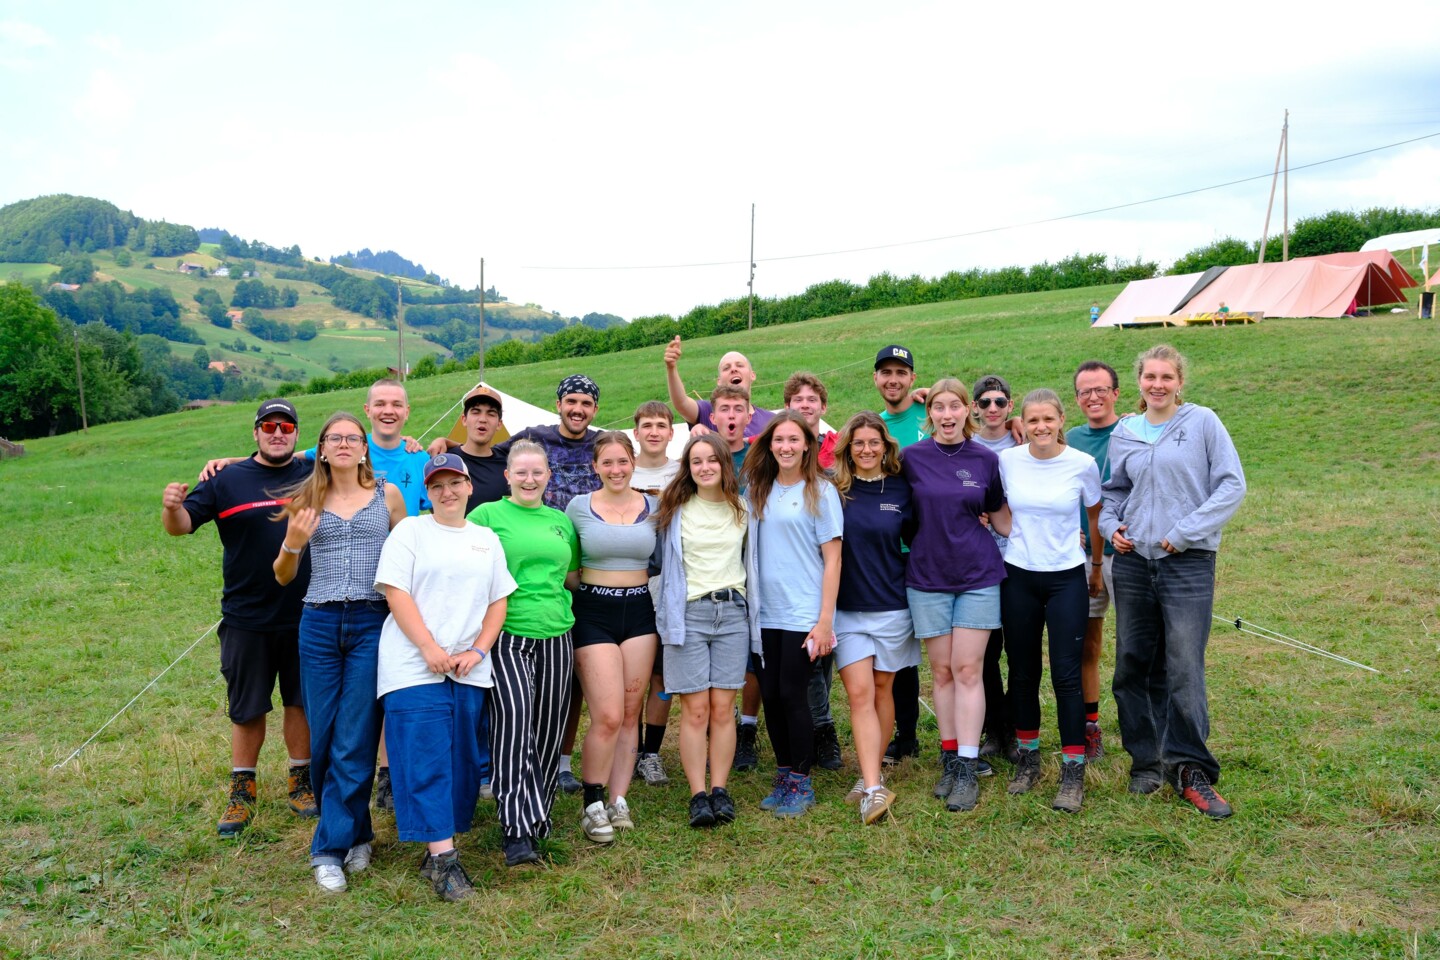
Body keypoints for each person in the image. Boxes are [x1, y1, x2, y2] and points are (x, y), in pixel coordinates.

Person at [160, 398, 317, 837]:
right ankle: (242, 790)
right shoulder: (226, 479)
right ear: (255, 432)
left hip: (308, 613)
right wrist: (172, 506)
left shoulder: (313, 476)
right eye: (269, 425)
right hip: (247, 615)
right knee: (247, 707)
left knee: (300, 701)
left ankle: (300, 781)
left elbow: (361, 455)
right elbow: (182, 525)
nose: (278, 432)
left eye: (286, 426)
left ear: (295, 434)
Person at [1101, 344, 1246, 819]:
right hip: (1134, 563)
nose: (1158, 385)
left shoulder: (1203, 422)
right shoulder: (1125, 432)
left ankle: (1190, 768)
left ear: (1180, 381)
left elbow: (1231, 484)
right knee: (1132, 666)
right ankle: (1146, 760)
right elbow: (1113, 491)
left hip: (1186, 562)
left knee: (1183, 666)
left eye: (1167, 377)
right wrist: (1111, 527)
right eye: (1150, 377)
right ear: (1138, 382)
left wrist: (1185, 532)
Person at [273, 411, 407, 893]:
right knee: (326, 734)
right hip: (319, 623)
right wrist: (292, 545)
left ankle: (327, 849)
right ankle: (359, 833)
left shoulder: (387, 496)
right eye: (336, 438)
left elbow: (405, 557)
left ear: (365, 447)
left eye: (354, 437)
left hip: (372, 621)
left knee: (356, 733)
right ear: (322, 448)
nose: (346, 444)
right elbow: (283, 576)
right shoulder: (306, 498)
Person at [373, 453, 515, 901]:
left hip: (468, 668)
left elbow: (498, 601)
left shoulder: (486, 538)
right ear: (426, 492)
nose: (447, 492)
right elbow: (396, 593)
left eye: (455, 483)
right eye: (438, 485)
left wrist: (478, 649)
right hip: (414, 665)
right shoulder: (410, 531)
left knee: (463, 766)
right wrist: (429, 648)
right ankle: (443, 861)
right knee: (428, 758)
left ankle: (436, 844)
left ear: (470, 487)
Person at [467, 441, 582, 864]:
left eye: (538, 472)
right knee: (515, 727)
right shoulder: (486, 517)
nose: (530, 479)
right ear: (508, 476)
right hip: (508, 634)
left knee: (550, 731)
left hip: (558, 632)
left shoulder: (560, 522)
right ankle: (515, 828)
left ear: (548, 476)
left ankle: (539, 815)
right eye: (522, 472)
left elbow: (571, 577)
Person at [902, 379, 1010, 813]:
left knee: (968, 670)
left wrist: (1059, 538)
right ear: (929, 414)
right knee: (942, 672)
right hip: (926, 577)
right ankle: (949, 757)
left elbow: (1002, 516)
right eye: (939, 408)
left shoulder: (985, 459)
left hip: (977, 575)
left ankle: (967, 765)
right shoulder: (909, 459)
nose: (947, 415)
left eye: (955, 407)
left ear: (969, 411)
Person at [997, 389, 1103, 813]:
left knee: (1066, 675)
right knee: (1022, 673)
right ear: (1023, 424)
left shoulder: (1082, 464)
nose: (1041, 427)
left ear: (1062, 419)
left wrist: (1094, 565)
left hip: (1066, 578)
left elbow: (1094, 516)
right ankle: (1029, 759)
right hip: (1019, 574)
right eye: (1033, 420)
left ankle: (1073, 771)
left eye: (1049, 419)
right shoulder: (1008, 461)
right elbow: (998, 509)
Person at [654, 433, 761, 828]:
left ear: (724, 464)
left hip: (732, 614)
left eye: (711, 460)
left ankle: (720, 789)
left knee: (722, 709)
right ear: (688, 467)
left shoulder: (743, 509)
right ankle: (697, 794)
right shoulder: (675, 508)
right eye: (696, 461)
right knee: (695, 710)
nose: (704, 467)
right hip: (689, 615)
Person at [743, 411, 843, 818]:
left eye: (793, 440)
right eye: (778, 440)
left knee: (792, 694)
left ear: (808, 444)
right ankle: (783, 774)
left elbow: (833, 560)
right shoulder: (758, 490)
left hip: (803, 611)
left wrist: (825, 621)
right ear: (769, 445)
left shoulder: (821, 491)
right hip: (764, 612)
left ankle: (801, 781)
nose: (785, 446)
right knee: (769, 695)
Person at [564, 432, 661, 843]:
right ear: (595, 466)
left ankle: (619, 799)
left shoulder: (655, 507)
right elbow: (567, 566)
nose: (616, 470)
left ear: (633, 462)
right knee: (605, 714)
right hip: (594, 613)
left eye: (623, 461)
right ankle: (592, 801)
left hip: (639, 611)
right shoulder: (578, 507)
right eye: (608, 463)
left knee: (628, 712)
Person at [831, 412, 916, 825]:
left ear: (886, 445)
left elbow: (920, 537)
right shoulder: (833, 490)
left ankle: (872, 771)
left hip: (893, 605)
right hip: (847, 609)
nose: (866, 450)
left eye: (873, 442)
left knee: (884, 690)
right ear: (847, 448)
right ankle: (871, 789)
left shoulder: (902, 487)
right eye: (858, 443)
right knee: (859, 694)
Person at [782, 372, 843, 770]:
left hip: (833, 559)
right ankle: (822, 730)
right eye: (797, 399)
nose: (805, 404)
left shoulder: (839, 449)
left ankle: (823, 731)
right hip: (793, 569)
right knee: (808, 660)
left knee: (822, 657)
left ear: (823, 406)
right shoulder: (777, 445)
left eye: (811, 399)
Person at [1067, 360, 1124, 759]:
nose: (1093, 397)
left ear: (1116, 393)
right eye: (1085, 391)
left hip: (1127, 551)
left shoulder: (1135, 432)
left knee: (1139, 642)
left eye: (1101, 389)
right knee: (1088, 644)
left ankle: (1147, 721)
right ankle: (1091, 727)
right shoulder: (1070, 437)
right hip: (1083, 557)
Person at [873, 345, 925, 766]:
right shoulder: (875, 429)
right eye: (886, 372)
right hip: (892, 553)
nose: (893, 379)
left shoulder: (929, 419)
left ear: (912, 378)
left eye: (900, 372)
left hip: (932, 549)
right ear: (876, 379)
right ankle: (905, 735)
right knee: (898, 649)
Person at [629, 401, 680, 787]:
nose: (654, 431)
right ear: (636, 432)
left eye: (661, 425)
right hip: (628, 579)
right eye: (647, 425)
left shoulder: (682, 473)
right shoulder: (622, 469)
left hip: (670, 580)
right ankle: (626, 749)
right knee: (631, 675)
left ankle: (651, 753)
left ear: (671, 432)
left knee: (662, 673)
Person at [970, 374, 1019, 766]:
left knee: (1018, 650)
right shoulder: (966, 448)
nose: (992, 409)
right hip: (978, 561)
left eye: (999, 402)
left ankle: (1017, 728)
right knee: (985, 653)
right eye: (984, 402)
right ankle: (992, 728)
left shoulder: (1022, 442)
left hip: (1018, 557)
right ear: (974, 407)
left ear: (1010, 407)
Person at [664, 335, 775, 438]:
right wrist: (671, 368)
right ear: (719, 381)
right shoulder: (708, 411)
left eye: (740, 365)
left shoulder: (771, 420)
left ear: (752, 375)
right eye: (726, 368)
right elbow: (681, 403)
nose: (733, 369)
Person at [454, 386, 511, 512]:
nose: (482, 419)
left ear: (499, 424)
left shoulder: (508, 466)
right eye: (476, 412)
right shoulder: (448, 459)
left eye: (491, 414)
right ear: (464, 419)